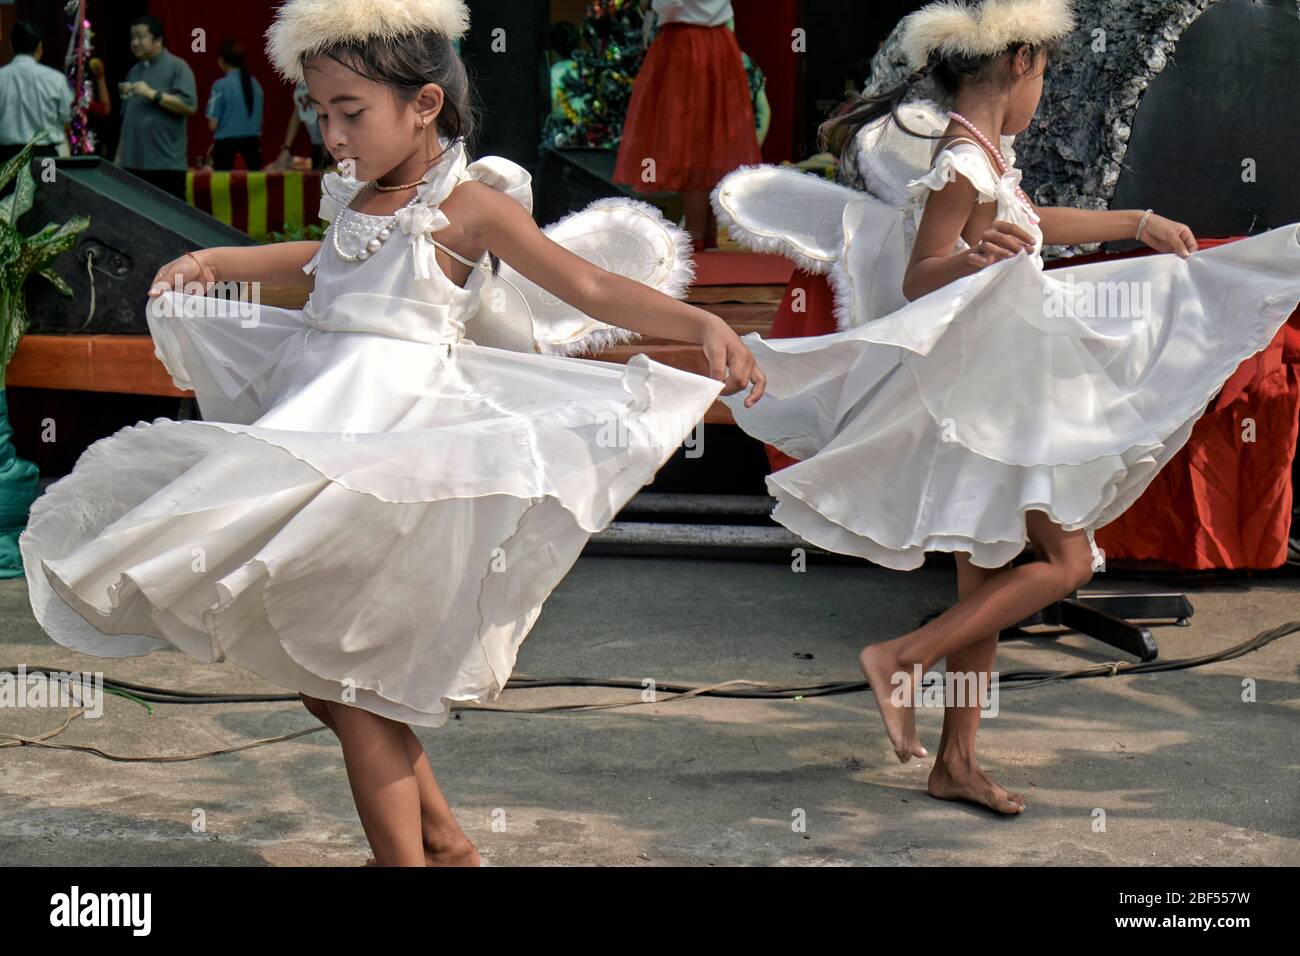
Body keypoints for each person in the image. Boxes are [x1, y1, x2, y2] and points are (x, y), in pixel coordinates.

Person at [19, 0, 765, 868]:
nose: (332, 133)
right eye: (320, 112)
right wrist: (218, 263)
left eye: (351, 113)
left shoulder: (468, 206)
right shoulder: (361, 198)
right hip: (313, 440)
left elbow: (588, 288)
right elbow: (314, 270)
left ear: (424, 106)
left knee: (351, 685)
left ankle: (415, 858)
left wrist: (698, 326)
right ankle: (444, 843)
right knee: (323, 677)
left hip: (387, 458)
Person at [712, 0, 1300, 813]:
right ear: (1021, 61)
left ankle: (955, 759)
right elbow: (923, 273)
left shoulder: (988, 152)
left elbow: (1026, 224)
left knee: (985, 572)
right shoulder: (960, 160)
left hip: (1000, 379)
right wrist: (968, 258)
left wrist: (1135, 222)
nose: (1043, 88)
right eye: (1046, 70)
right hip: (997, 389)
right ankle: (901, 657)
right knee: (1064, 562)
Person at [612, 0, 761, 250]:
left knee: (693, 141)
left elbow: (669, 3)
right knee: (711, 141)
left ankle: (696, 237)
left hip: (688, 44)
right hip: (719, 43)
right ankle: (706, 234)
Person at [116, 15, 197, 200]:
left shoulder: (178, 67)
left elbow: (190, 105)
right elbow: (127, 120)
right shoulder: (134, 71)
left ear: (158, 40)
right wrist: (118, 159)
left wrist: (152, 94)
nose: (135, 42)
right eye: (132, 38)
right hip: (132, 165)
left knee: (171, 223)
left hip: (165, 167)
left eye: (140, 37)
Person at [0, 21, 73, 164]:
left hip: (7, 157)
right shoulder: (55, 79)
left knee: (10, 187)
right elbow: (67, 115)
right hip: (46, 157)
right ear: (40, 47)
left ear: (11, 44)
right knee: (50, 186)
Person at [206, 39, 264, 171]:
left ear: (221, 60)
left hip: (226, 151)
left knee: (225, 191)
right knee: (253, 190)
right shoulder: (255, 84)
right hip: (253, 150)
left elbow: (212, 124)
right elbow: (259, 122)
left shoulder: (219, 86)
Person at [267, 78, 327, 170]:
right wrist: (286, 148)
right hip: (318, 146)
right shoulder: (302, 77)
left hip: (333, 145)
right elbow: (298, 110)